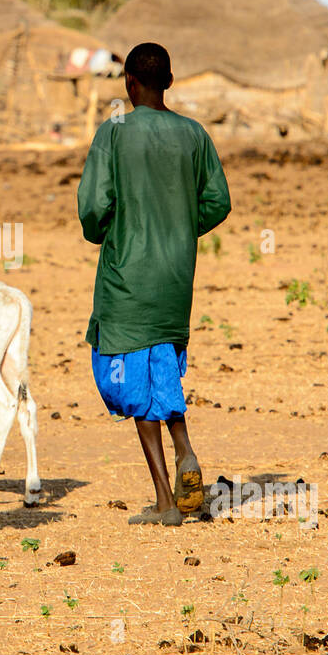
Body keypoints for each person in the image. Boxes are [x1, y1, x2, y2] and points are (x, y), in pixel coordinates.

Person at [77, 43, 231, 526]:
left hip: (127, 276)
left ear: (129, 83)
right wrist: (181, 229)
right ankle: (182, 448)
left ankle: (166, 498)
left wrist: (110, 232)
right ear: (168, 81)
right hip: (175, 278)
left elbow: (93, 208)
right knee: (160, 359)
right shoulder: (194, 135)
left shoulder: (113, 132)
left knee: (130, 376)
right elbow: (218, 201)